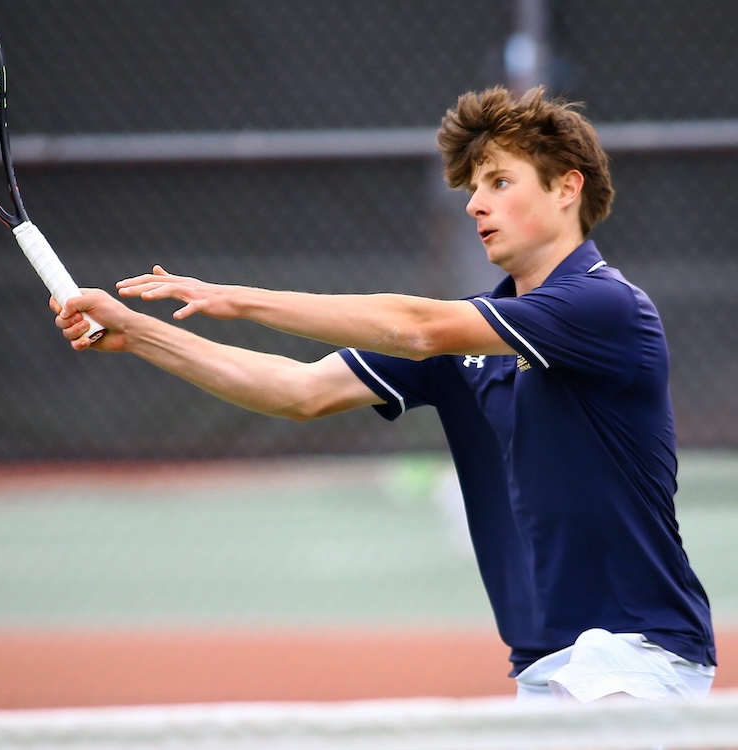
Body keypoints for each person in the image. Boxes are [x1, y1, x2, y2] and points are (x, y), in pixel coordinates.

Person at [50, 86, 716, 702]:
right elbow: (298, 391)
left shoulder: (606, 307)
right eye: (473, 187)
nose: (474, 203)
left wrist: (234, 298)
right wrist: (138, 333)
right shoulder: (474, 341)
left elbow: (417, 328)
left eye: (499, 182)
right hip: (543, 664)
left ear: (567, 188)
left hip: (639, 652)